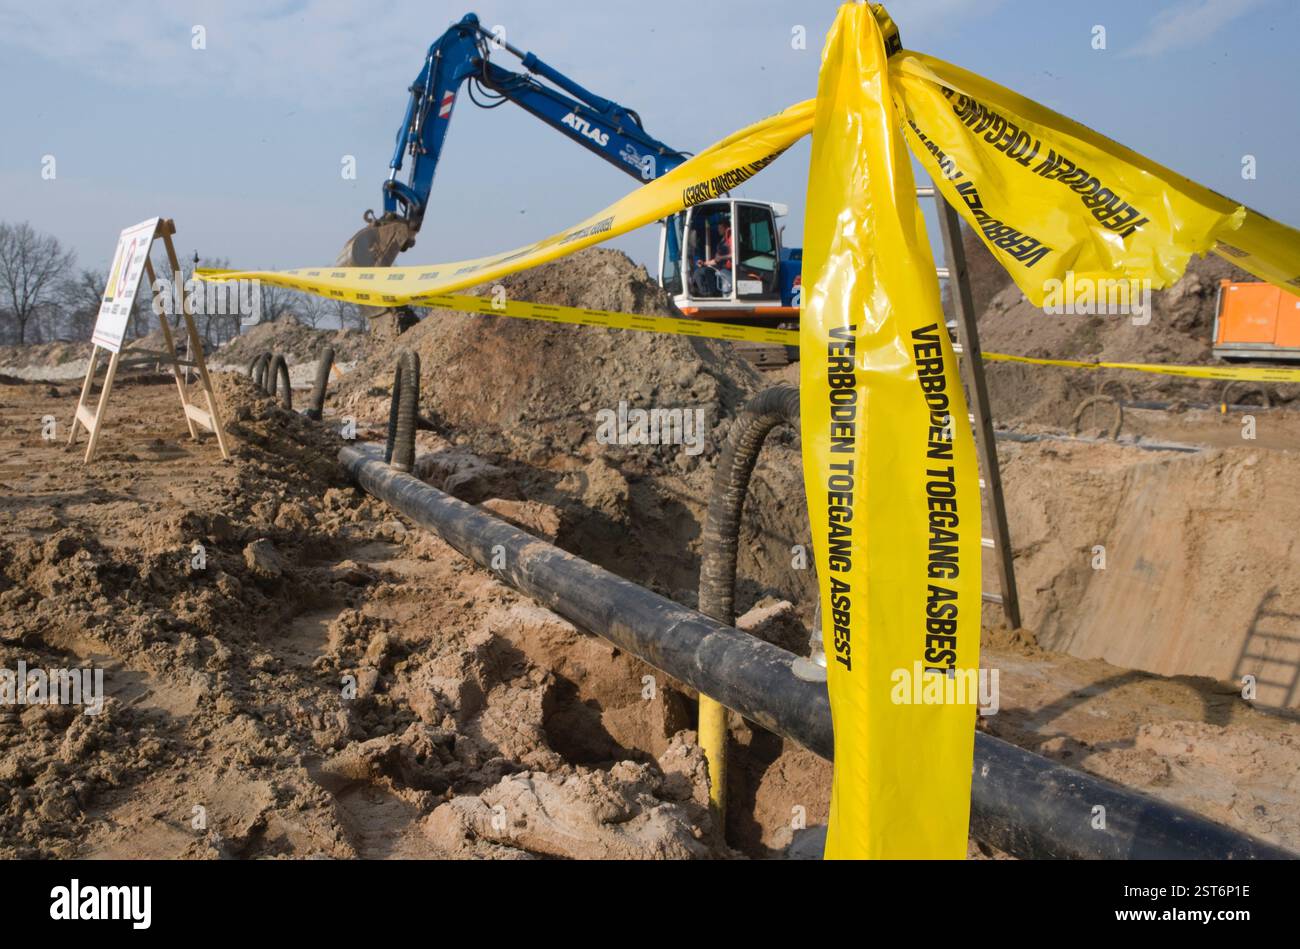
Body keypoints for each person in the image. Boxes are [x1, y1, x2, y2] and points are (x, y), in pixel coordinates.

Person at [691, 219, 733, 297]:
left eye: (720, 228)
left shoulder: (732, 239)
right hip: (720, 269)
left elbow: (734, 254)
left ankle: (710, 294)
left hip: (728, 271)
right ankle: (705, 293)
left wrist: (721, 257)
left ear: (726, 228)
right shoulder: (722, 241)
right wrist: (704, 263)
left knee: (704, 272)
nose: (718, 230)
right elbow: (716, 260)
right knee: (699, 272)